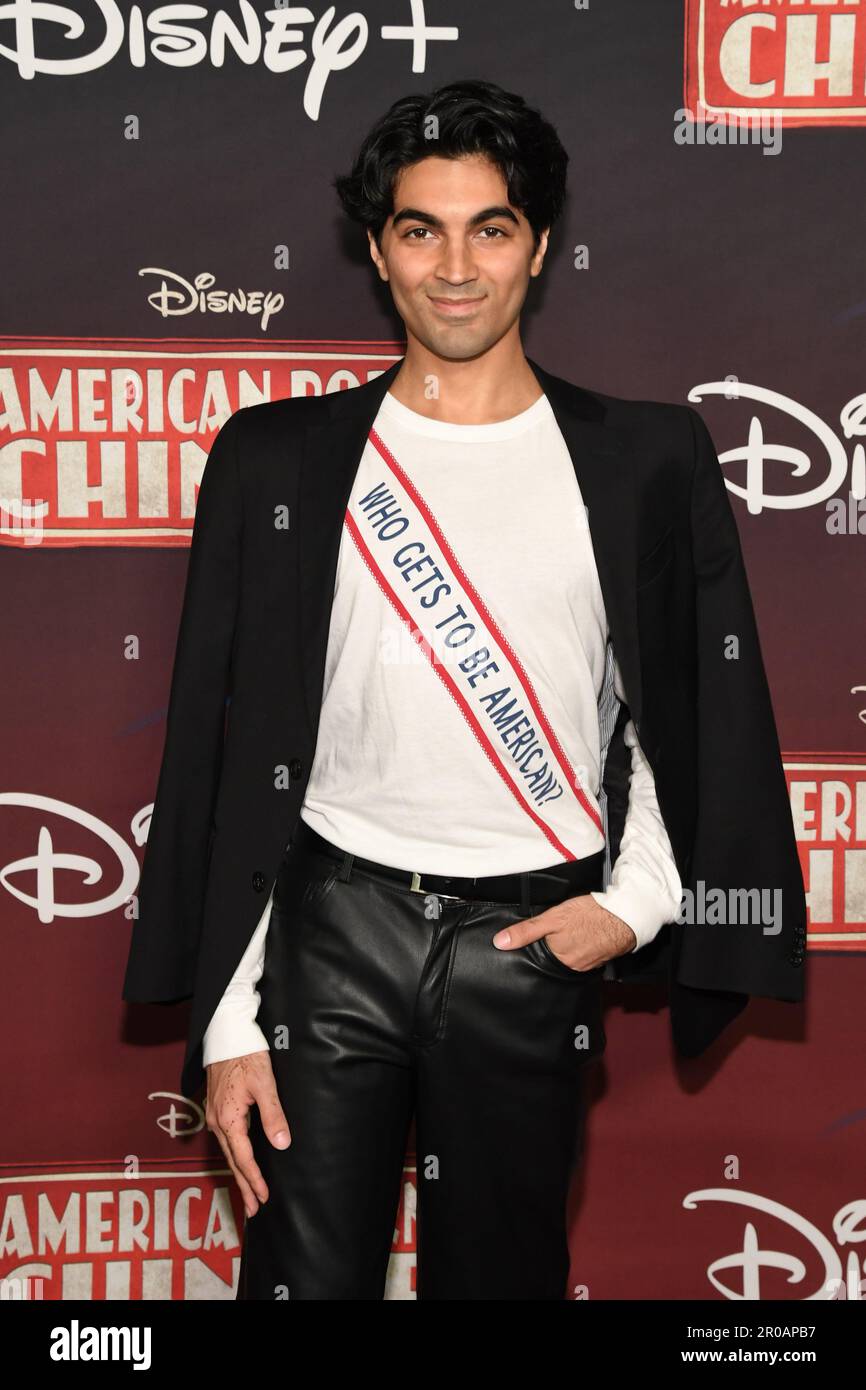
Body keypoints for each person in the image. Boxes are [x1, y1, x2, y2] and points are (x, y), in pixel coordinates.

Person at [122, 79, 806, 1300]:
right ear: (377, 250)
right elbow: (226, 756)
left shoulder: (646, 461)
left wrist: (636, 900)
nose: (454, 265)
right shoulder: (276, 459)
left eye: (488, 227)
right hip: (325, 936)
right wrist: (228, 1024)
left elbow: (691, 714)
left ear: (537, 247)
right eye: (419, 228)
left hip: (529, 941)